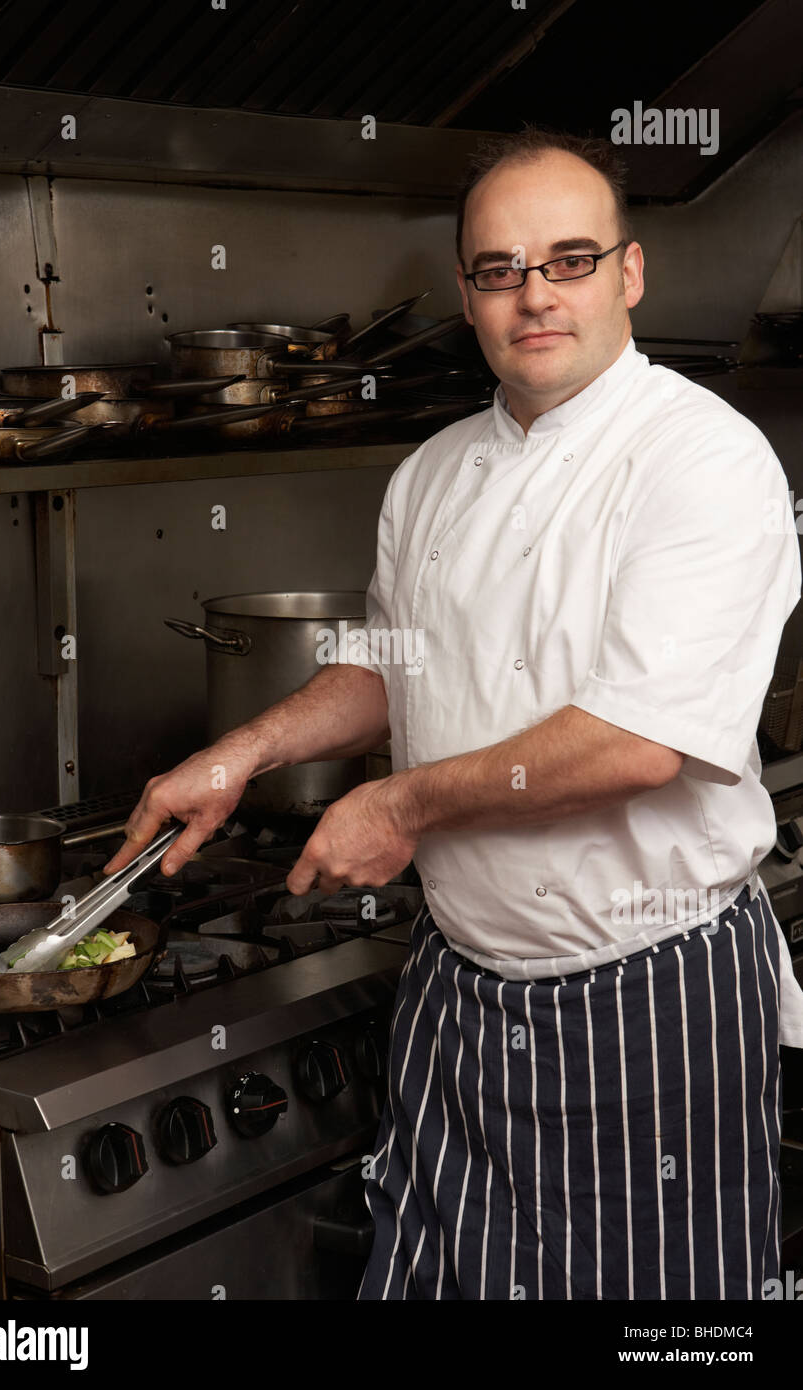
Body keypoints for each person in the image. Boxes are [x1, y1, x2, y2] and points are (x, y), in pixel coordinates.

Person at [105, 125, 803, 1301]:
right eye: (497, 269)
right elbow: (389, 662)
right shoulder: (429, 473)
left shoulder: (703, 461)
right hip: (459, 995)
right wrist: (243, 750)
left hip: (644, 992)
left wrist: (398, 801)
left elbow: (635, 739)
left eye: (567, 260)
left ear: (627, 274)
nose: (533, 295)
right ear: (470, 295)